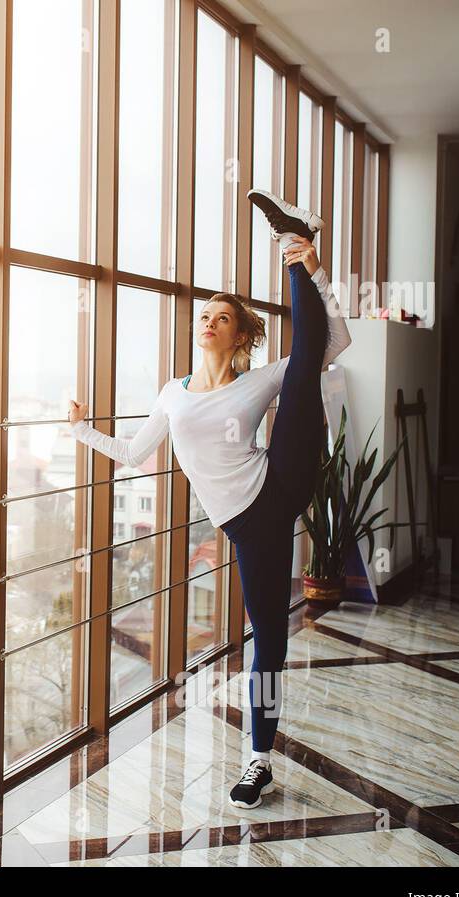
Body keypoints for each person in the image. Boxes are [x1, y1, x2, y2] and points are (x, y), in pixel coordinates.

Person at [66, 188, 351, 809]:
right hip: (249, 526)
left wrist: (316, 275)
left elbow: (333, 346)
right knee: (267, 637)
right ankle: (263, 764)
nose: (208, 320)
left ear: (239, 334)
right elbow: (136, 454)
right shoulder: (173, 393)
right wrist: (82, 431)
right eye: (204, 314)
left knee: (302, 367)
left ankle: (295, 247)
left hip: (280, 480)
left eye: (222, 316)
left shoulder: (256, 381)